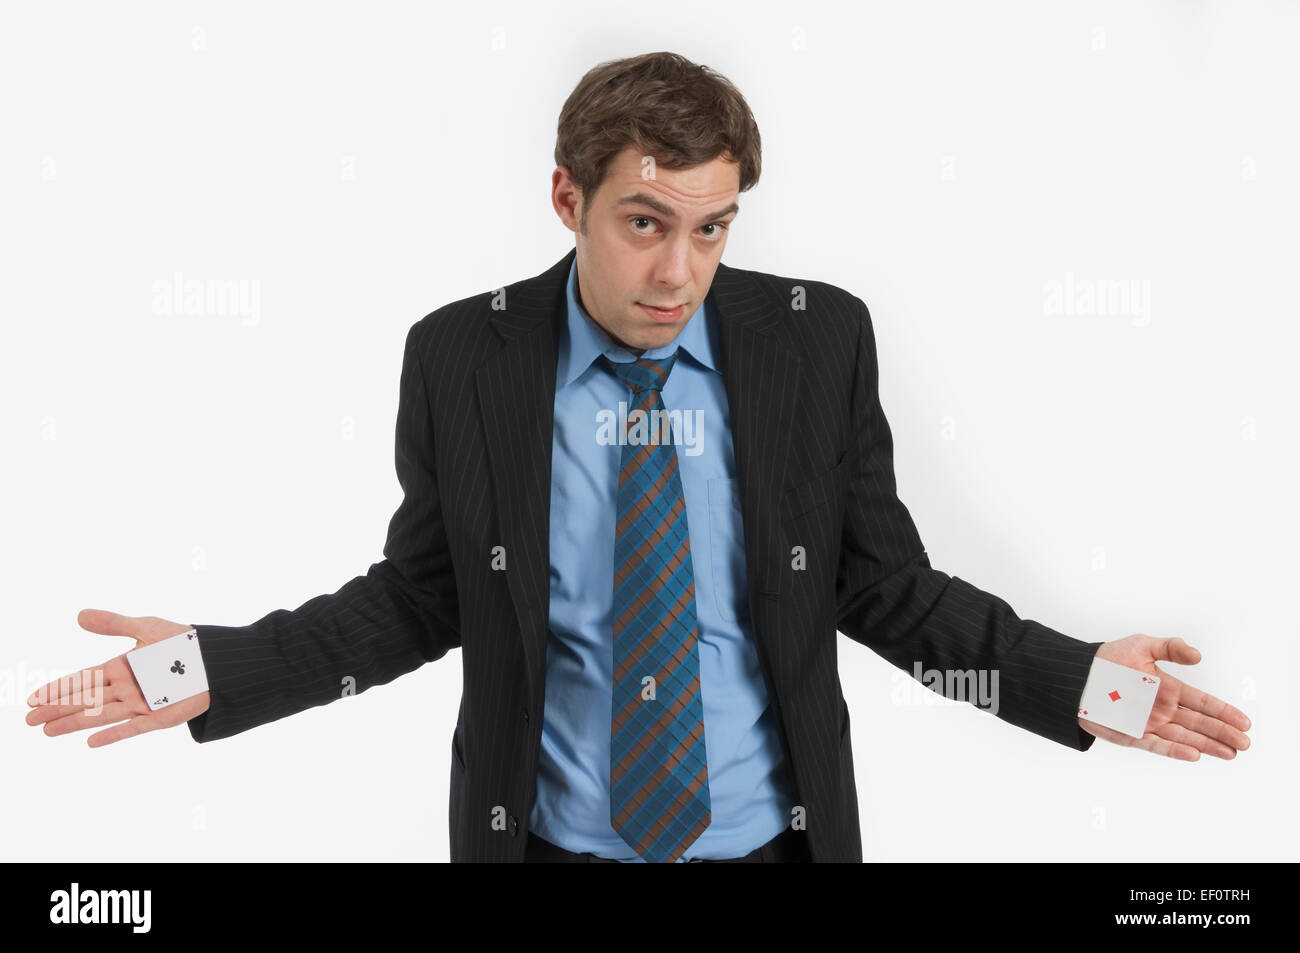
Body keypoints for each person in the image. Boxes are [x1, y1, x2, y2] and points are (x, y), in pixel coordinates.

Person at [26, 51, 1252, 863]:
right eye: (645, 224)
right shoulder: (464, 357)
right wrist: (208, 669)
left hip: (777, 843)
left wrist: (1081, 682)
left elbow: (881, 587)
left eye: (712, 228)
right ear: (567, 198)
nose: (679, 272)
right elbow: (420, 594)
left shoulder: (814, 343)